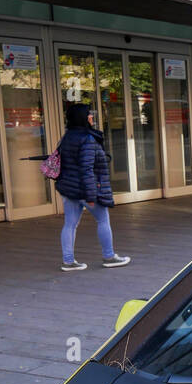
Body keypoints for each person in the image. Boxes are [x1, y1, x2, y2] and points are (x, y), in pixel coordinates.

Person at [56, 102, 130, 271]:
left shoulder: (67, 137)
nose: (91, 117)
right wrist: (90, 196)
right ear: (82, 117)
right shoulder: (88, 138)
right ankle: (109, 256)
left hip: (69, 189)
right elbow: (86, 168)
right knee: (103, 219)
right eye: (89, 114)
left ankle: (68, 261)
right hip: (84, 188)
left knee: (70, 224)